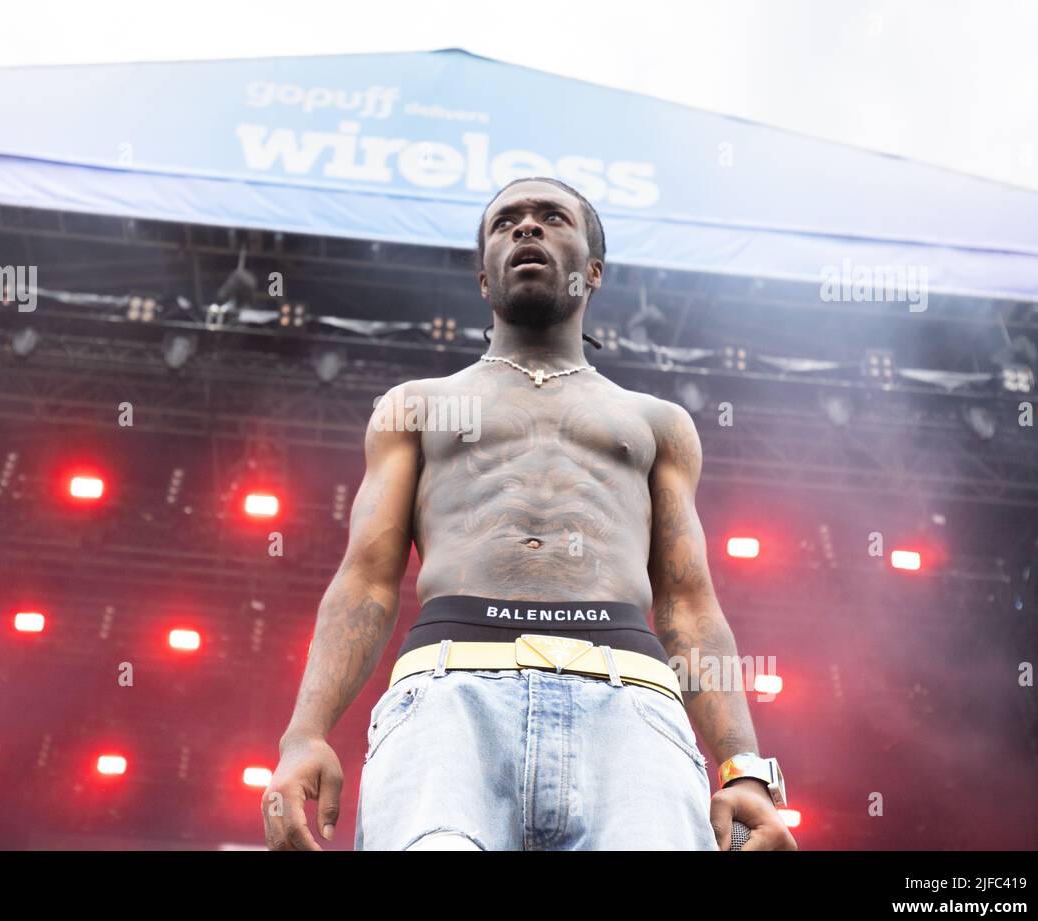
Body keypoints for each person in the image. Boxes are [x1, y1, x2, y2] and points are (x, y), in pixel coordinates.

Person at [263, 176, 797, 851]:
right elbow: (366, 580)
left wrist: (745, 770)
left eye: (552, 217)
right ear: (483, 278)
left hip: (629, 702)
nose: (526, 228)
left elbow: (690, 605)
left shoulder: (658, 423)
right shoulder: (416, 404)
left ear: (594, 272)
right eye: (505, 221)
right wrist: (303, 735)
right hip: (448, 695)